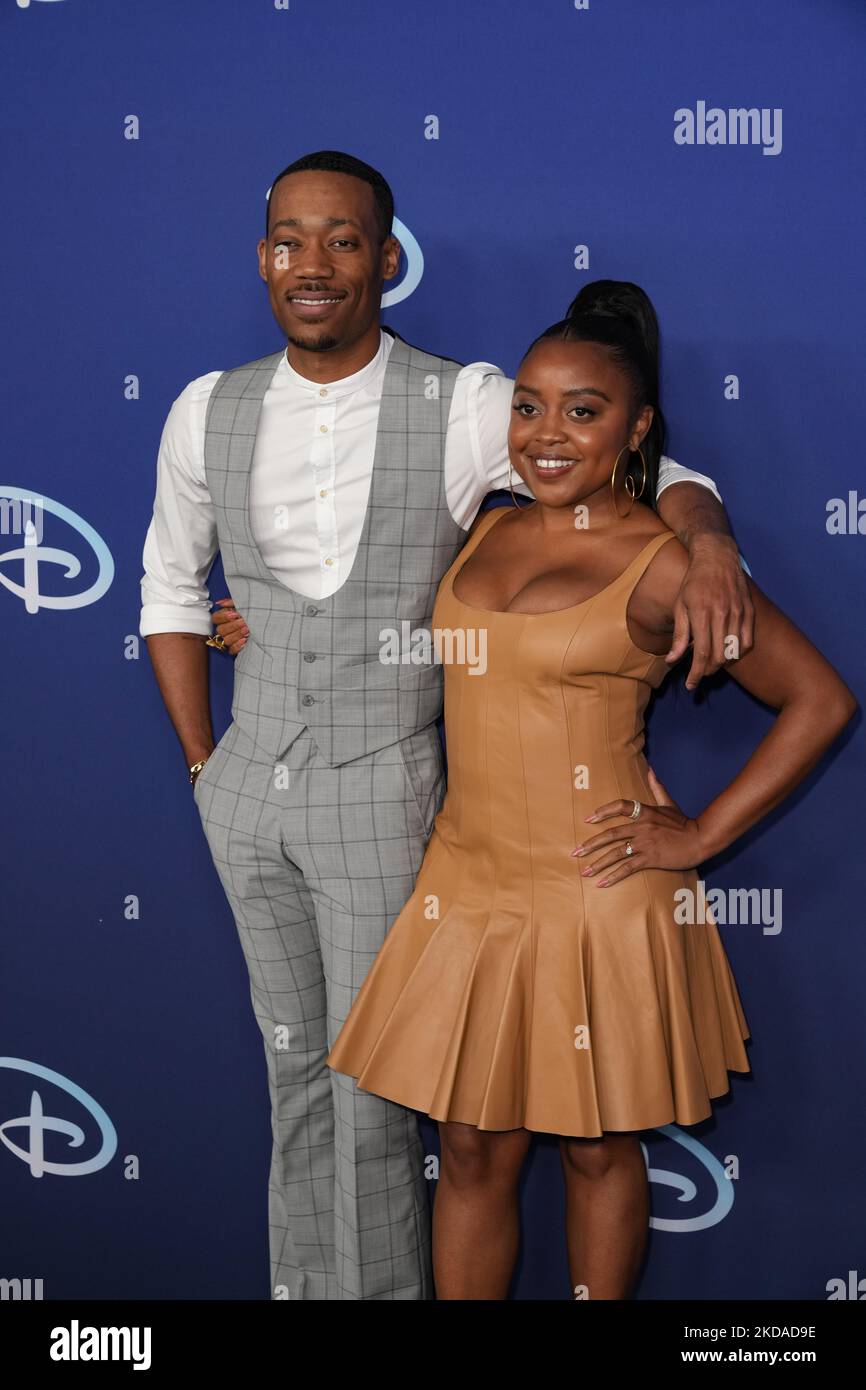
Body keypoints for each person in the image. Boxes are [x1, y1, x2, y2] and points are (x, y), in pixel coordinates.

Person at [139, 150, 753, 1302]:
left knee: (379, 1100)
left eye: (340, 239)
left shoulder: (468, 401)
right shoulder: (201, 409)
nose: (311, 264)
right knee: (295, 1082)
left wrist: (709, 539)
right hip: (249, 794)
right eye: (288, 238)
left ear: (385, 256)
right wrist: (201, 759)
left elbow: (643, 464)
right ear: (260, 253)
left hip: (392, 796)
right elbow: (169, 591)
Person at [322, 287, 858, 1301]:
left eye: (582, 410)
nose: (546, 433)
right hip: (468, 884)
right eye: (527, 407)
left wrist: (696, 833)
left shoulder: (666, 566)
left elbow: (818, 700)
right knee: (472, 1147)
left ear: (635, 427)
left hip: (593, 887)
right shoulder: (484, 528)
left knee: (594, 1147)